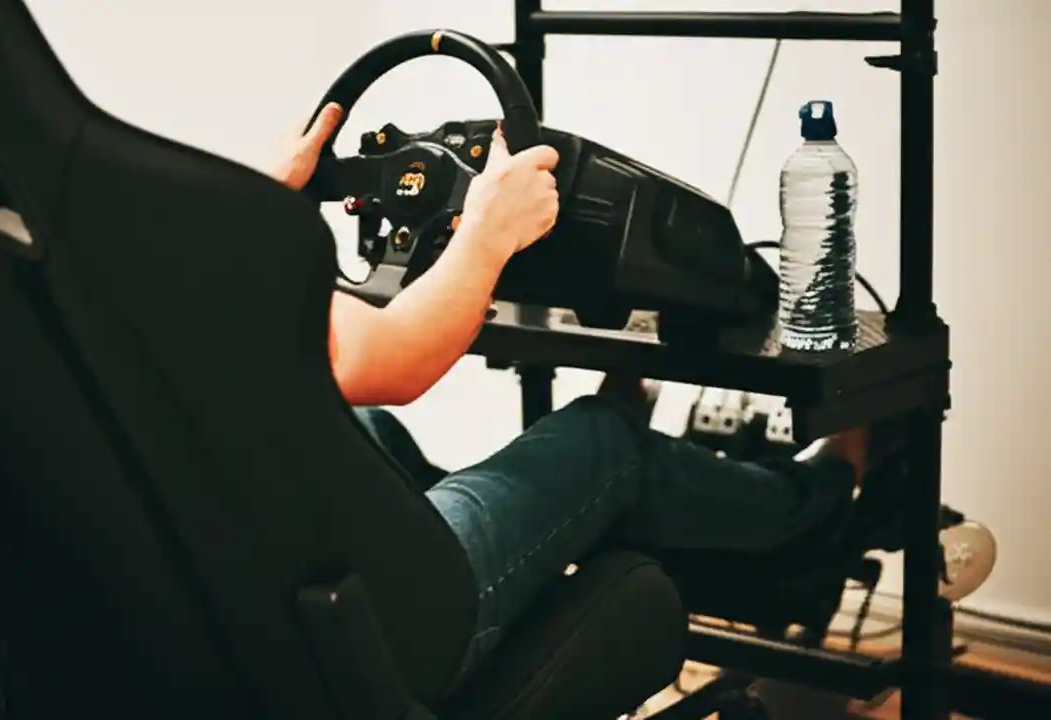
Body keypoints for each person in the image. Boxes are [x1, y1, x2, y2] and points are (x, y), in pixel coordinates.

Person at [271, 102, 882, 670]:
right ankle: (820, 498)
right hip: (387, 621)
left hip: (269, 588)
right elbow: (388, 359)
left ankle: (599, 482)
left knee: (364, 430)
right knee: (602, 439)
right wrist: (487, 233)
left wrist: (264, 212)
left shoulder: (207, 278)